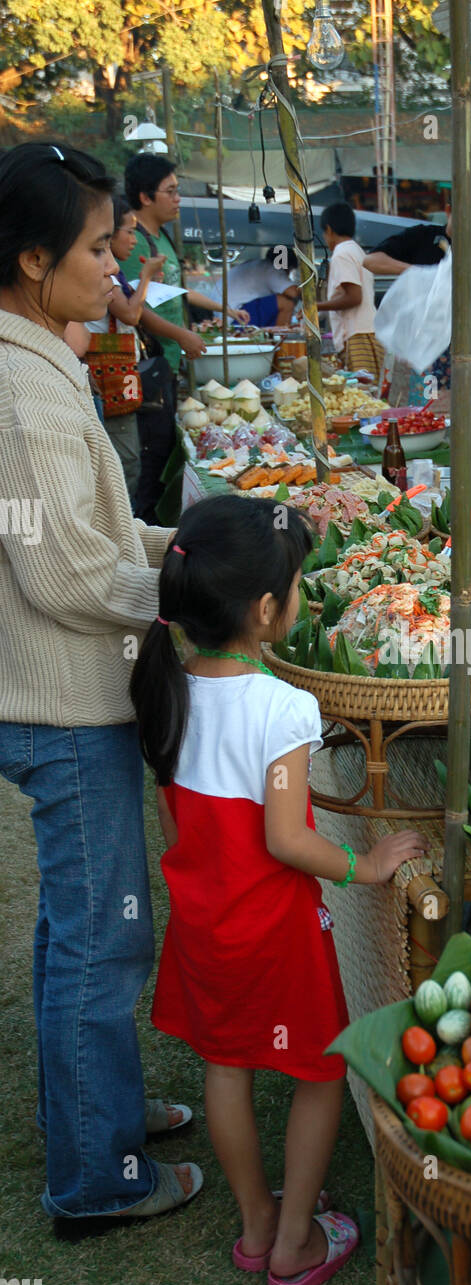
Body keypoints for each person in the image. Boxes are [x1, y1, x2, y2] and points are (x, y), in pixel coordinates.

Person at [129, 494, 426, 1285]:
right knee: (319, 1073)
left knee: (226, 1066)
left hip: (202, 920)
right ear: (267, 610)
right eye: (296, 585)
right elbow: (287, 840)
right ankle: (295, 1244)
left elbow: (173, 823)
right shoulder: (283, 705)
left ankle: (259, 1220)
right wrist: (364, 867)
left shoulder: (166, 685)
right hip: (271, 924)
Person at [0, 141, 199, 1219]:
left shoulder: (38, 354)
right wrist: (189, 590)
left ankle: (88, 1108)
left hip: (63, 695)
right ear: (35, 260)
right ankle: (96, 1175)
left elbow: (101, 532)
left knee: (74, 927)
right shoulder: (23, 386)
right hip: (59, 703)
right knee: (102, 937)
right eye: (95, 249)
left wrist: (185, 544)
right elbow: (65, 567)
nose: (114, 269)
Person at [363, 182, 471, 406]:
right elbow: (371, 261)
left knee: (455, 422)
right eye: (464, 219)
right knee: (409, 420)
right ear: (449, 211)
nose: (469, 228)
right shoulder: (422, 237)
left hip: (458, 356)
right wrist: (421, 273)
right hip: (412, 351)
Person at [116, 153, 250, 374]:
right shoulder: (134, 242)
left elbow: (173, 290)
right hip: (151, 360)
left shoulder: (161, 237)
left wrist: (225, 309)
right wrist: (181, 335)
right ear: (145, 198)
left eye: (177, 191)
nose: (178, 199)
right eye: (170, 192)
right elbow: (133, 305)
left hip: (170, 358)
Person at [81, 193, 165, 500]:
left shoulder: (115, 276)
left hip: (118, 373)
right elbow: (130, 313)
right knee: (125, 461)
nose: (133, 239)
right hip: (109, 377)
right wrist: (144, 278)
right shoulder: (110, 278)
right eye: (128, 231)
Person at [317, 202, 382, 376]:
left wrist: (315, 306)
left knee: (363, 394)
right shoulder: (357, 251)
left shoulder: (341, 254)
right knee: (371, 392)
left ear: (329, 230)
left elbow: (354, 297)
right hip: (367, 330)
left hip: (356, 334)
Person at [227, 245, 301, 328]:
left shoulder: (257, 265)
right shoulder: (271, 269)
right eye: (289, 271)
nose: (287, 276)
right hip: (235, 316)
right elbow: (293, 292)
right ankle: (280, 337)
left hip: (227, 312)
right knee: (286, 302)